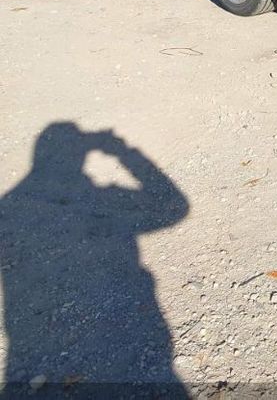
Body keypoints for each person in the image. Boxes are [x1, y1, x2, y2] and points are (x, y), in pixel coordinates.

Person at [0, 123, 188, 393]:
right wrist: (123, 151)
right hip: (132, 331)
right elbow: (176, 208)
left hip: (29, 354)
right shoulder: (104, 197)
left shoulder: (9, 206)